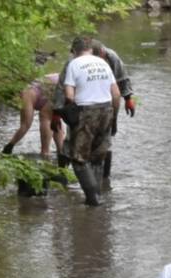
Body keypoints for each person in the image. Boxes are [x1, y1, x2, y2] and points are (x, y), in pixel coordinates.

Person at [62, 36, 120, 206]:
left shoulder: (73, 64)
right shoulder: (103, 63)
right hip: (107, 109)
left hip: (86, 111)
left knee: (78, 158)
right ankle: (97, 195)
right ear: (90, 49)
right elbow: (116, 94)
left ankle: (92, 197)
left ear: (74, 51)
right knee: (97, 157)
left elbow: (69, 95)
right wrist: (114, 118)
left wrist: (69, 115)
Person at [91, 40, 136, 188]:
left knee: (107, 135)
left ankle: (105, 179)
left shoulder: (112, 57)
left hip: (109, 96)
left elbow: (122, 78)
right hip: (87, 97)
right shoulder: (80, 59)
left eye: (101, 58)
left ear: (103, 53)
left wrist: (128, 98)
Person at [1, 74, 66, 158]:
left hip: (57, 85)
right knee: (55, 118)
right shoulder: (29, 90)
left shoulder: (26, 94)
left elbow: (25, 125)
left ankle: (45, 153)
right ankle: (61, 152)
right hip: (62, 84)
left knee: (44, 118)